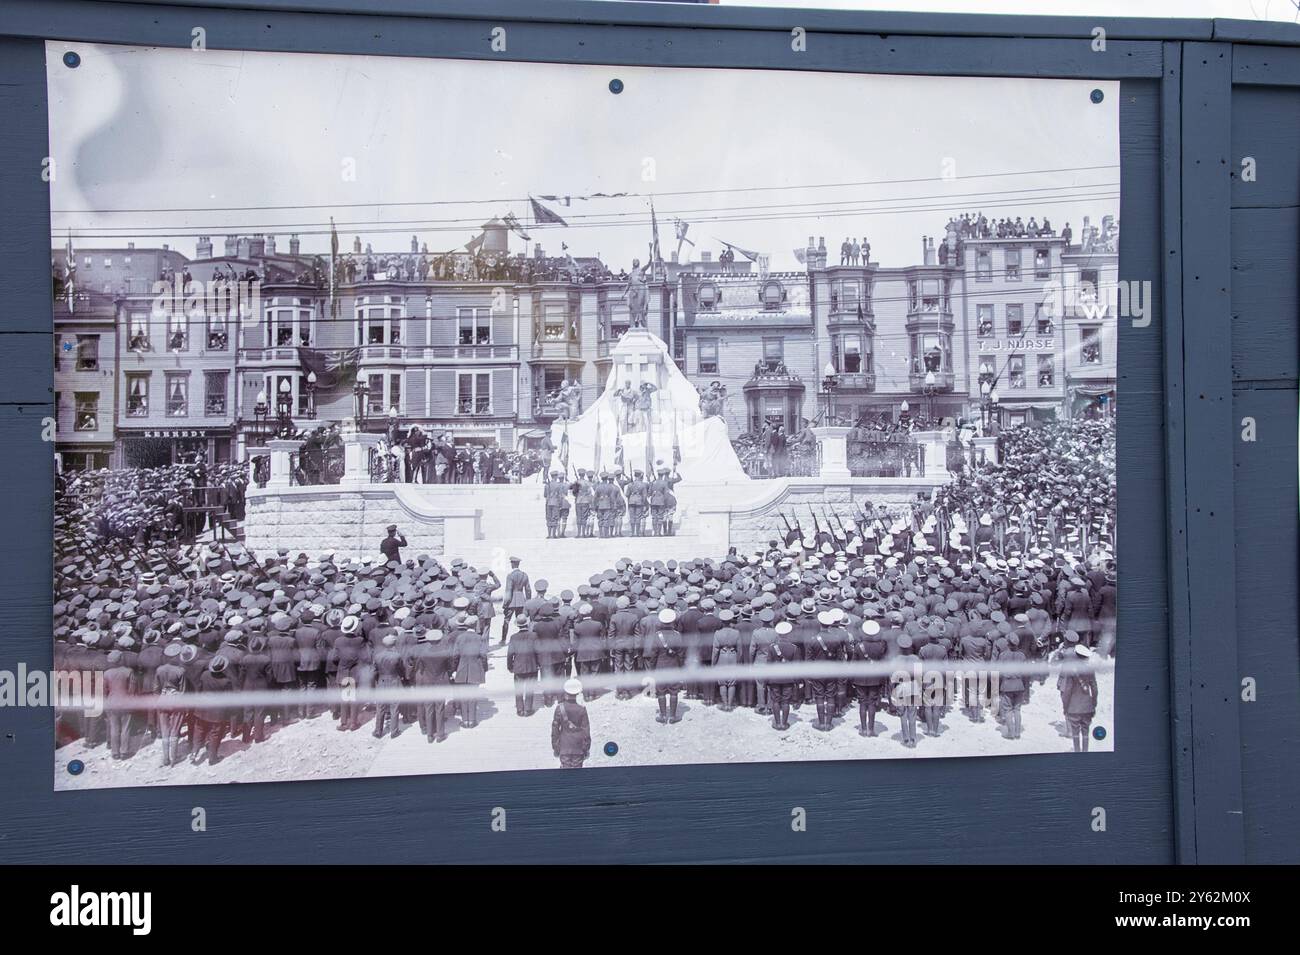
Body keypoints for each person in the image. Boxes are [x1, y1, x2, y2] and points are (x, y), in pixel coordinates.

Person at [646, 608, 684, 724]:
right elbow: (681, 654)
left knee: (661, 691)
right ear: (673, 621)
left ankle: (662, 715)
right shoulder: (678, 635)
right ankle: (672, 716)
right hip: (674, 666)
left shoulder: (657, 636)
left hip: (660, 667)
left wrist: (652, 669)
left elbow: (653, 655)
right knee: (674, 691)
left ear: (661, 622)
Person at [1061, 644, 1098, 751]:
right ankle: (1085, 752)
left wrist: (1065, 707)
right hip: (1087, 706)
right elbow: (1095, 689)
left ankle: (1077, 752)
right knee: (1086, 732)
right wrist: (1094, 703)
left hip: (1074, 707)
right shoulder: (1090, 670)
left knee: (1075, 733)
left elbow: (1067, 691)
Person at [552, 678, 591, 768]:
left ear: (565, 692)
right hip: (578, 746)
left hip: (564, 746)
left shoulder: (559, 708)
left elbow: (555, 730)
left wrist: (555, 747)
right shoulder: (582, 709)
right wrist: (586, 748)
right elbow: (586, 732)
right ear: (577, 693)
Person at [506, 614, 539, 717]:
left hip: (518, 666)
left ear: (518, 625)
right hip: (532, 665)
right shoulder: (534, 636)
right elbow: (538, 651)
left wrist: (510, 666)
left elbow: (510, 654)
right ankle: (528, 709)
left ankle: (520, 709)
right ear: (526, 624)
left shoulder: (513, 637)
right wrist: (538, 664)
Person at [500, 555, 531, 646]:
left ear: (512, 564)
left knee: (506, 620)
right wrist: (528, 601)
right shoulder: (524, 575)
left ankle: (503, 640)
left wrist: (505, 603)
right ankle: (524, 639)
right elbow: (528, 590)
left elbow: (508, 591)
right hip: (521, 599)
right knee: (522, 620)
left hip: (512, 600)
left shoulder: (510, 576)